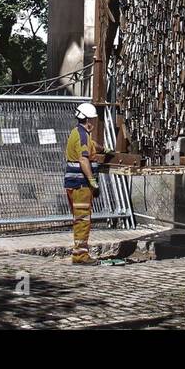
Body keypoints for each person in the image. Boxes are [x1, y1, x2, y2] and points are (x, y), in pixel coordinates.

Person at [64, 102, 101, 265]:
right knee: (83, 219)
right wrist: (92, 181)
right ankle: (80, 256)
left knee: (79, 218)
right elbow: (83, 158)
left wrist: (104, 150)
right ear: (89, 120)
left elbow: (92, 147)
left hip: (73, 184)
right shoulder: (83, 135)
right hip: (81, 184)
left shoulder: (76, 132)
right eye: (93, 119)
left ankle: (79, 253)